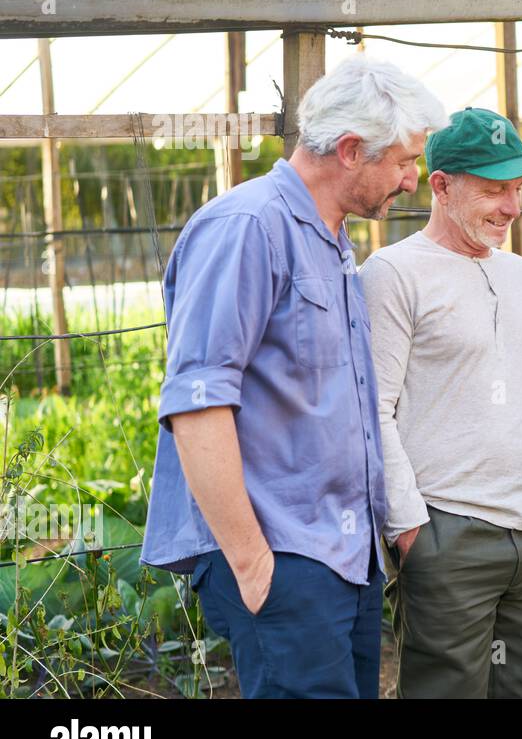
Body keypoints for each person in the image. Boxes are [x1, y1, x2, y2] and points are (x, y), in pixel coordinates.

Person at [141, 56, 447, 698]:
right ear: (350, 150)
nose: (413, 180)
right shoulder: (249, 227)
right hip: (284, 555)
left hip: (341, 557)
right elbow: (197, 404)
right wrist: (256, 566)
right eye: (403, 161)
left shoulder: (331, 240)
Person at [360, 108, 522, 699]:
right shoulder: (391, 273)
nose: (512, 207)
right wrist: (410, 530)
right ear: (441, 185)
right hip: (448, 532)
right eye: (493, 191)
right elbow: (373, 412)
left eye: (517, 189)